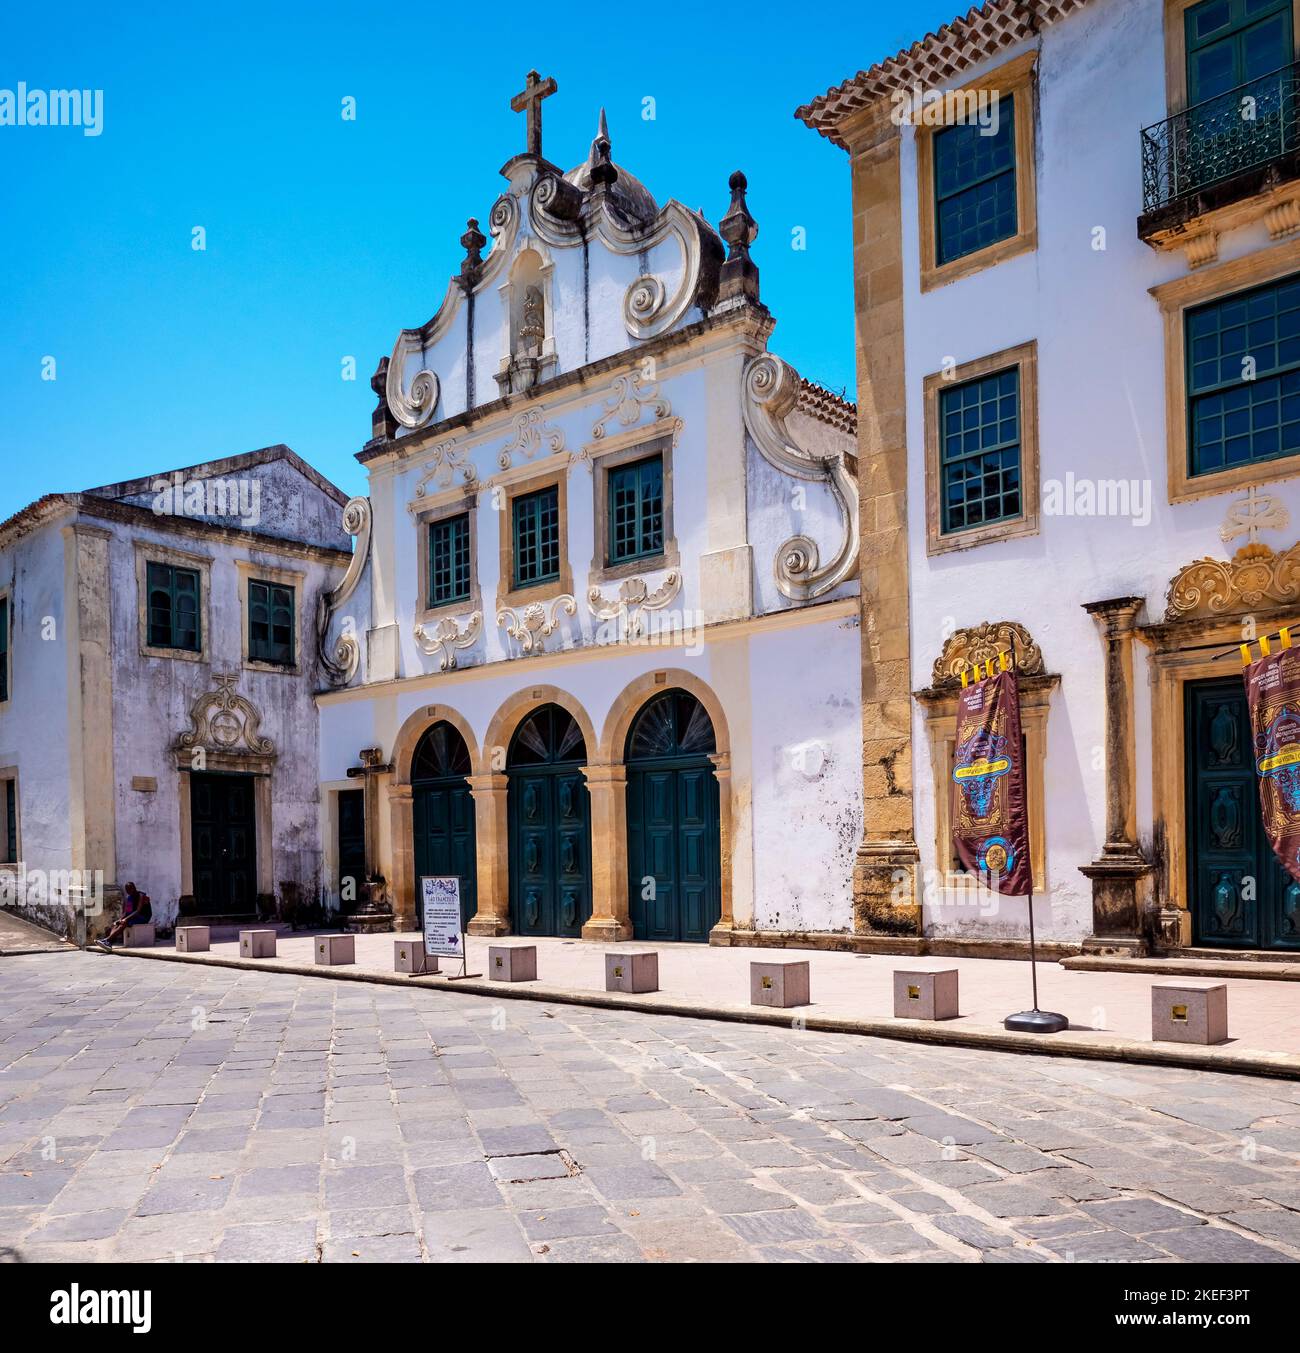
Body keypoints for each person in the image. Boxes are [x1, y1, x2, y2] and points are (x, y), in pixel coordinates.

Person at [96, 882, 152, 950]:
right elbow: (127, 912)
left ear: (134, 888)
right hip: (134, 917)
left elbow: (137, 911)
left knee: (124, 923)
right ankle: (109, 943)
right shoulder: (129, 898)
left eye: (129, 890)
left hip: (143, 917)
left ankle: (107, 940)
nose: (128, 892)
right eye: (127, 890)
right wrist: (120, 919)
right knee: (116, 924)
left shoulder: (141, 896)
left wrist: (126, 919)